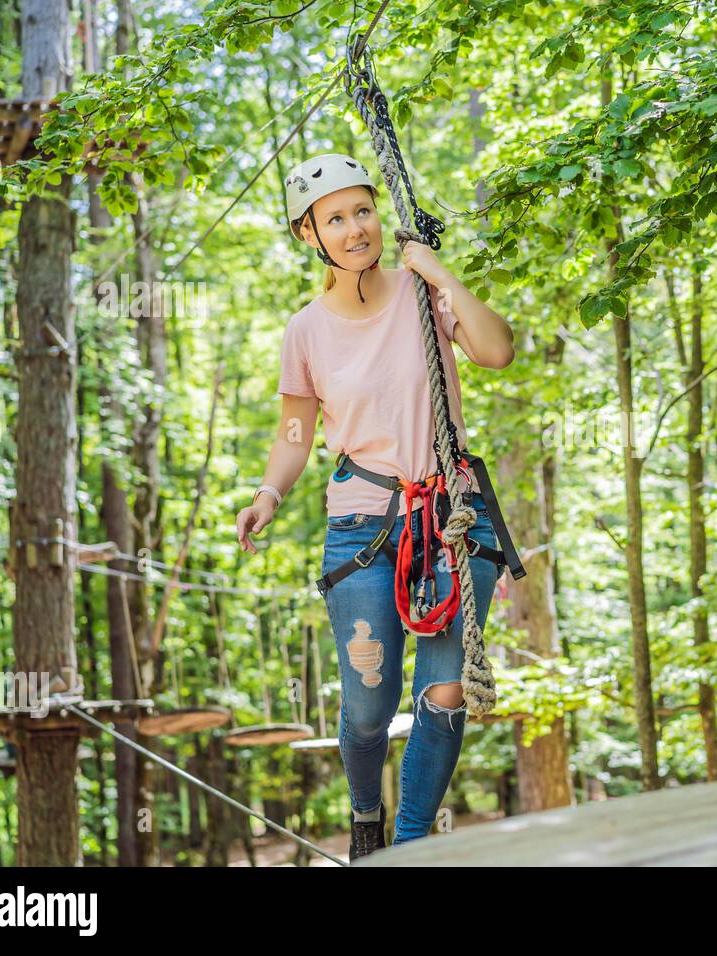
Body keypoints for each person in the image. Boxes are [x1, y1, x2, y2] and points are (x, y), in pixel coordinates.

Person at [234, 153, 515, 862]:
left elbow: (497, 351)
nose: (357, 228)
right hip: (362, 524)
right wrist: (269, 492)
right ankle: (367, 815)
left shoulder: (422, 295)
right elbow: (295, 434)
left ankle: (411, 845)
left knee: (445, 693)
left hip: (453, 514)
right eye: (337, 219)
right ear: (310, 235)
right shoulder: (306, 331)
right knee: (368, 702)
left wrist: (444, 276)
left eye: (363, 211)